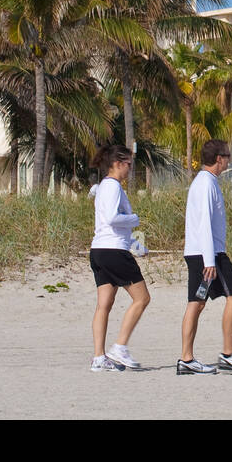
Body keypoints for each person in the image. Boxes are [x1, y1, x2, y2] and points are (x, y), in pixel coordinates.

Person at [179, 139, 232, 374]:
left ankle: (186, 359)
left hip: (201, 253)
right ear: (218, 159)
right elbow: (203, 223)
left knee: (197, 302)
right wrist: (210, 262)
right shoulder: (206, 184)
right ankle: (228, 353)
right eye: (227, 156)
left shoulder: (205, 182)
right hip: (209, 254)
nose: (228, 161)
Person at [88, 144, 150, 372]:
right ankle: (119, 347)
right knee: (142, 299)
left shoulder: (105, 187)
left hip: (99, 251)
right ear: (117, 164)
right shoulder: (113, 186)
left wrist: (136, 245)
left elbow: (108, 224)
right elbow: (114, 219)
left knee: (103, 305)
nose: (130, 170)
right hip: (113, 252)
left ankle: (98, 358)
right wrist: (135, 218)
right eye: (128, 165)